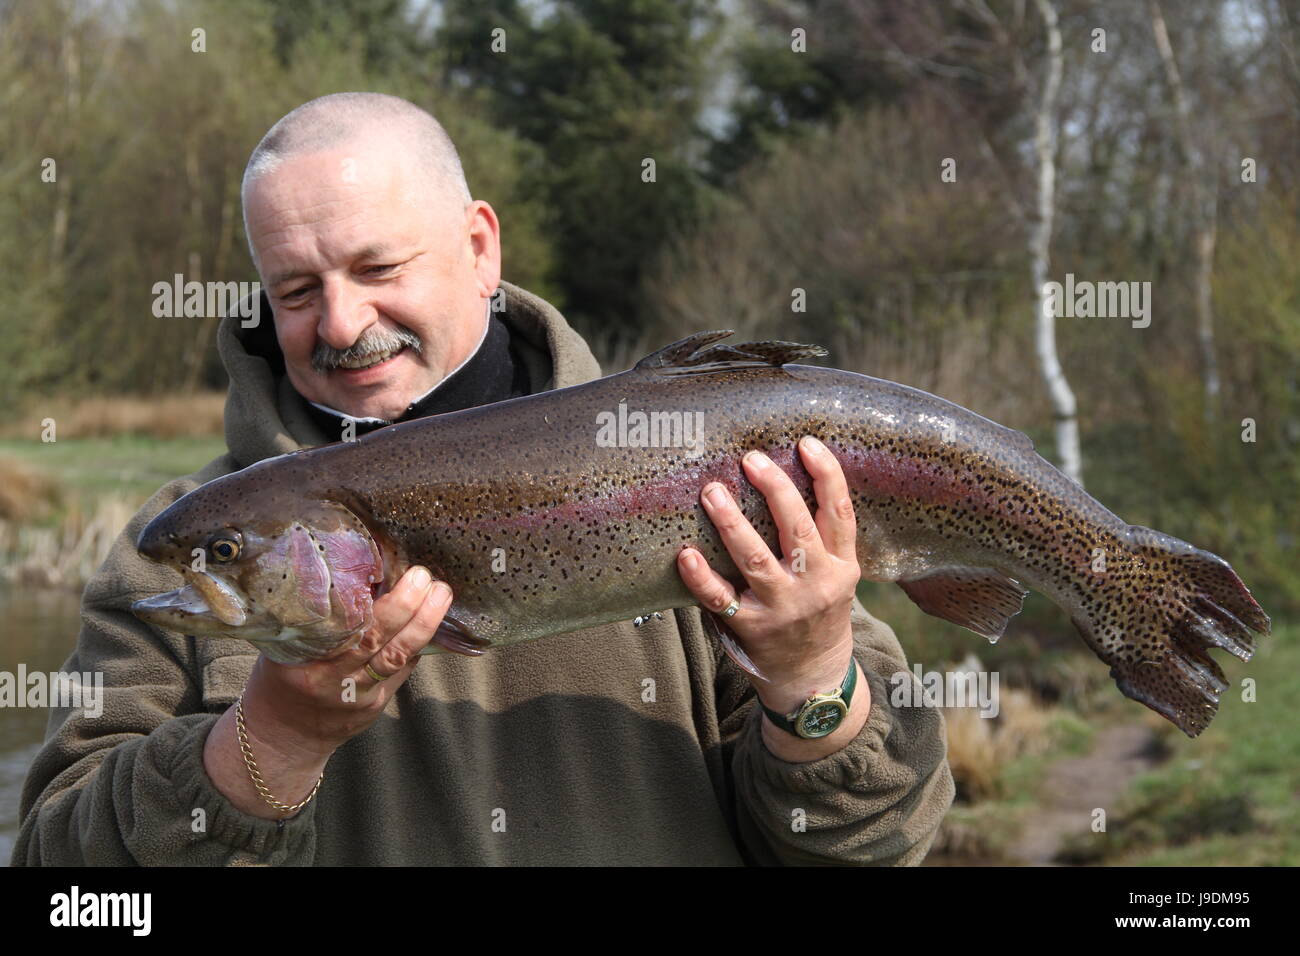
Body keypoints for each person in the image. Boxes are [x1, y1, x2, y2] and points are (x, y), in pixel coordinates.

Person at [13, 92, 953, 865]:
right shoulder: (176, 555)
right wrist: (269, 743)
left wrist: (812, 680)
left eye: (378, 266)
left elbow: (872, 849)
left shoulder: (702, 470)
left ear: (479, 248)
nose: (341, 324)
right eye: (297, 291)